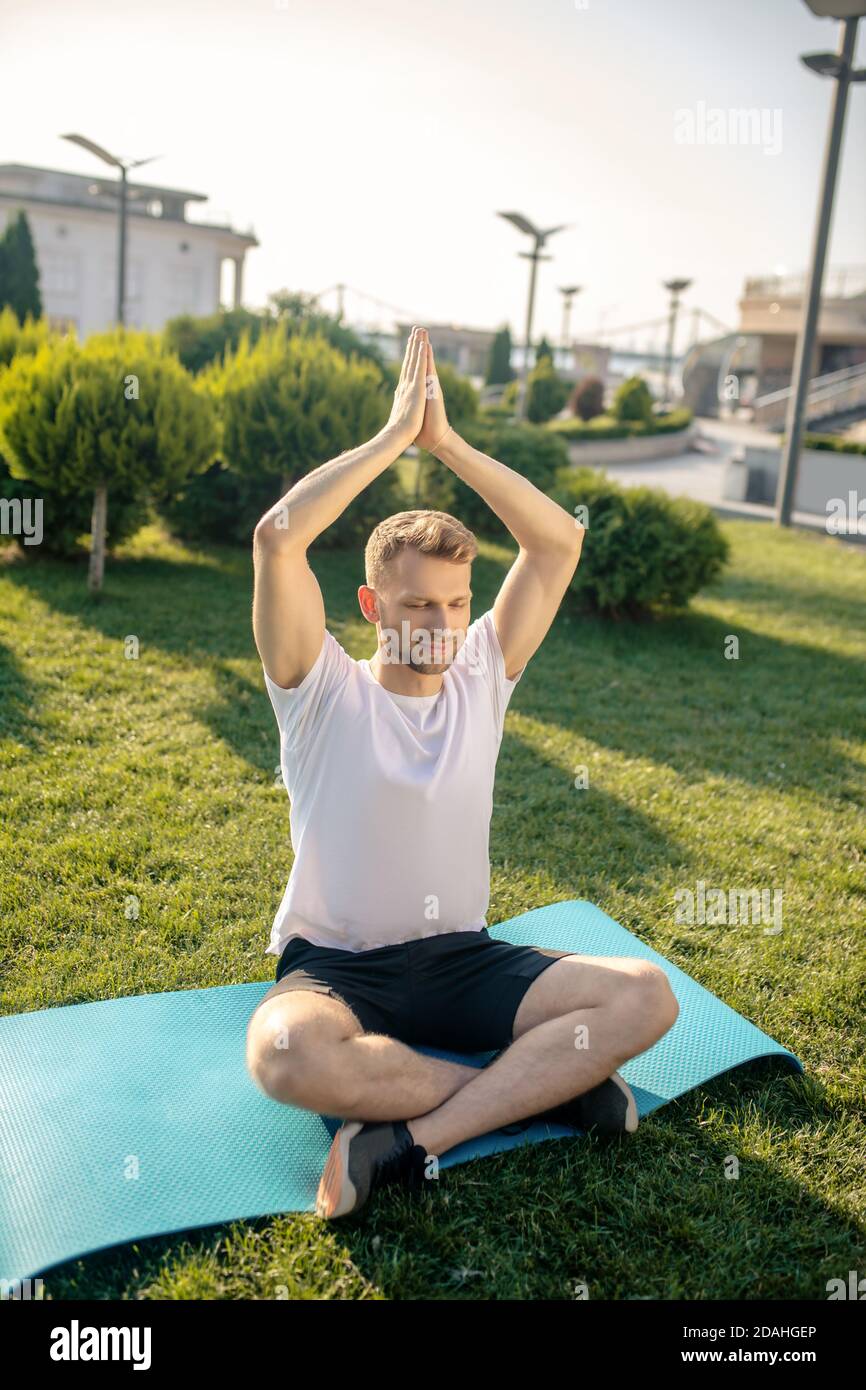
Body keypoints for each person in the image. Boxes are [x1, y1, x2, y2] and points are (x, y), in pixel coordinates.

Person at [246, 327, 679, 1219]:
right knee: (286, 1055)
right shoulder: (319, 687)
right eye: (416, 605)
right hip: (339, 971)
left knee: (644, 999)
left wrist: (449, 445)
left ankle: (411, 1136)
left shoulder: (481, 675)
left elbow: (557, 545)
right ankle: (548, 1090)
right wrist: (392, 440)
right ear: (371, 606)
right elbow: (277, 539)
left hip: (463, 961)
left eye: (455, 605)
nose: (440, 626)